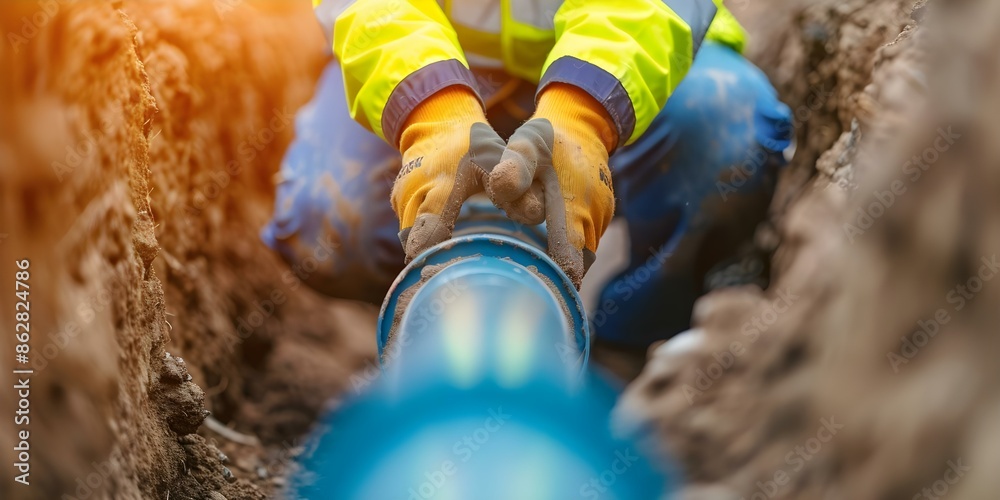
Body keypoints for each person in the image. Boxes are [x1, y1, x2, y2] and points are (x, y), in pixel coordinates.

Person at [262, 0, 793, 347]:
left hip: (637, 62)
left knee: (728, 135)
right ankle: (425, 317)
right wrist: (431, 111)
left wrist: (585, 112)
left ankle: (631, 348)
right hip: (443, 60)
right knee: (326, 216)